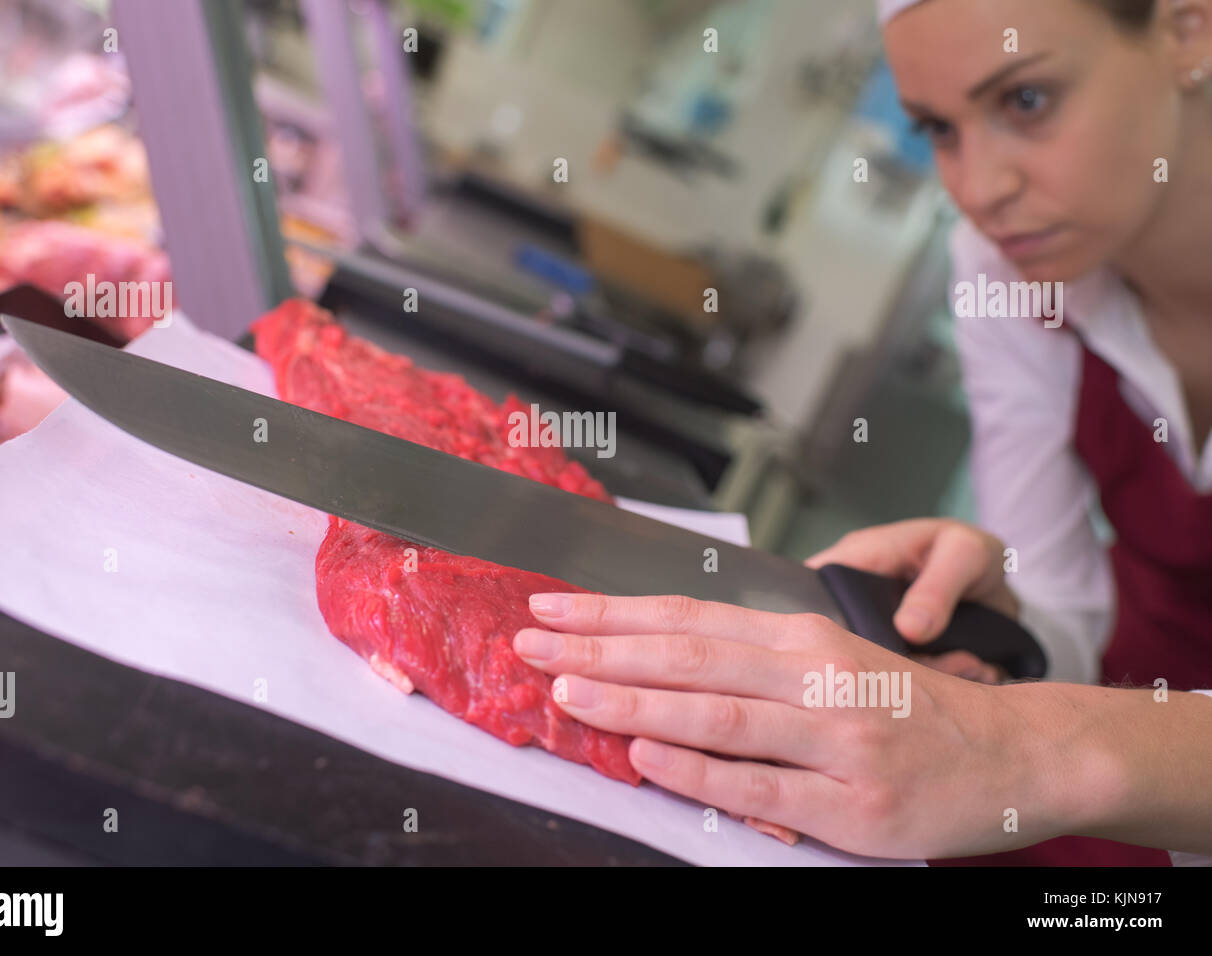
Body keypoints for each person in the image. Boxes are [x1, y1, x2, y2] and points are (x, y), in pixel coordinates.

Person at [515, 0, 1212, 865]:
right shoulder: (1006, 270)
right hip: (1107, 754)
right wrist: (999, 625)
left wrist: (1030, 748)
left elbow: (1043, 742)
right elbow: (1067, 632)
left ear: (1188, 29)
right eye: (938, 131)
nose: (980, 188)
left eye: (1026, 102)